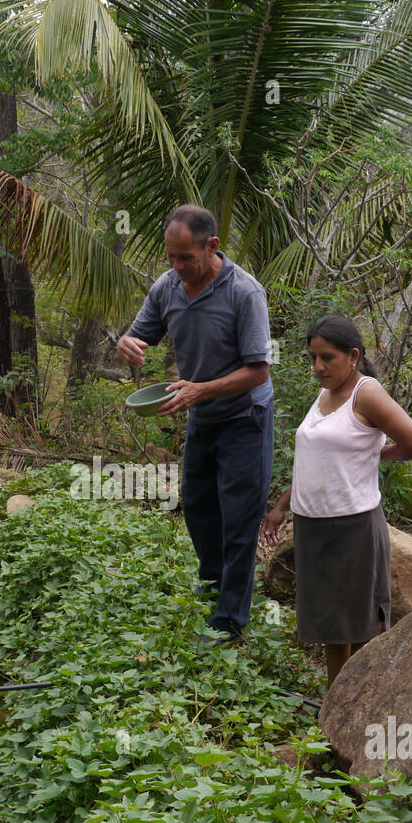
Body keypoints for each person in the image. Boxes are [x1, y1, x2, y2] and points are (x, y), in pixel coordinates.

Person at [116, 204, 273, 643]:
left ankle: (230, 620)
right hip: (201, 413)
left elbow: (259, 370)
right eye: (170, 257)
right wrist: (126, 344)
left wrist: (200, 390)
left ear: (213, 246)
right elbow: (139, 335)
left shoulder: (245, 293)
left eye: (186, 257)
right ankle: (213, 584)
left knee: (240, 516)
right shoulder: (167, 288)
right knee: (199, 505)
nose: (177, 266)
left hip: (245, 415)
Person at [260, 316, 412, 686]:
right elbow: (315, 461)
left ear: (353, 356)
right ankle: (340, 703)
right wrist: (281, 506)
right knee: (333, 627)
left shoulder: (365, 394)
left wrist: (376, 455)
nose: (318, 367)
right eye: (313, 358)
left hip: (350, 526)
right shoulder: (326, 393)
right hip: (313, 525)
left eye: (327, 358)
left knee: (353, 625)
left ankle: (347, 707)